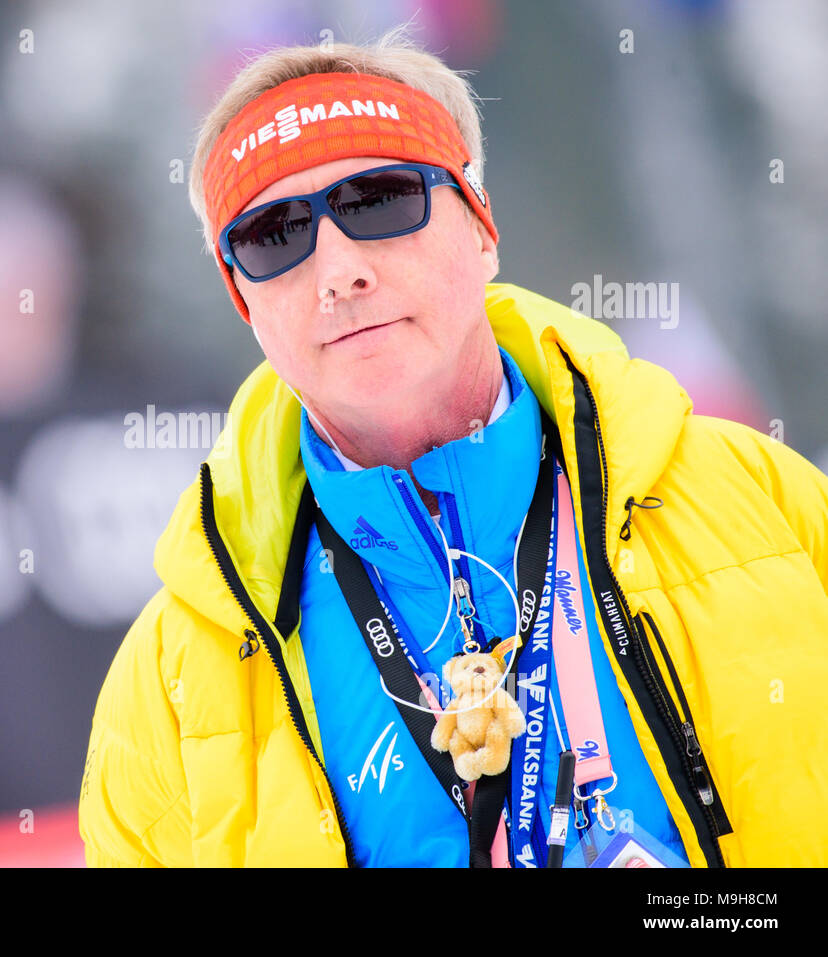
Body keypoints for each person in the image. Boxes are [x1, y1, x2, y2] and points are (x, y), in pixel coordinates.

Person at [78, 29, 828, 867]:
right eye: (273, 235)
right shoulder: (175, 679)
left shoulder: (757, 497)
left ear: (481, 228)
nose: (336, 268)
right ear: (244, 302)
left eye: (379, 201)